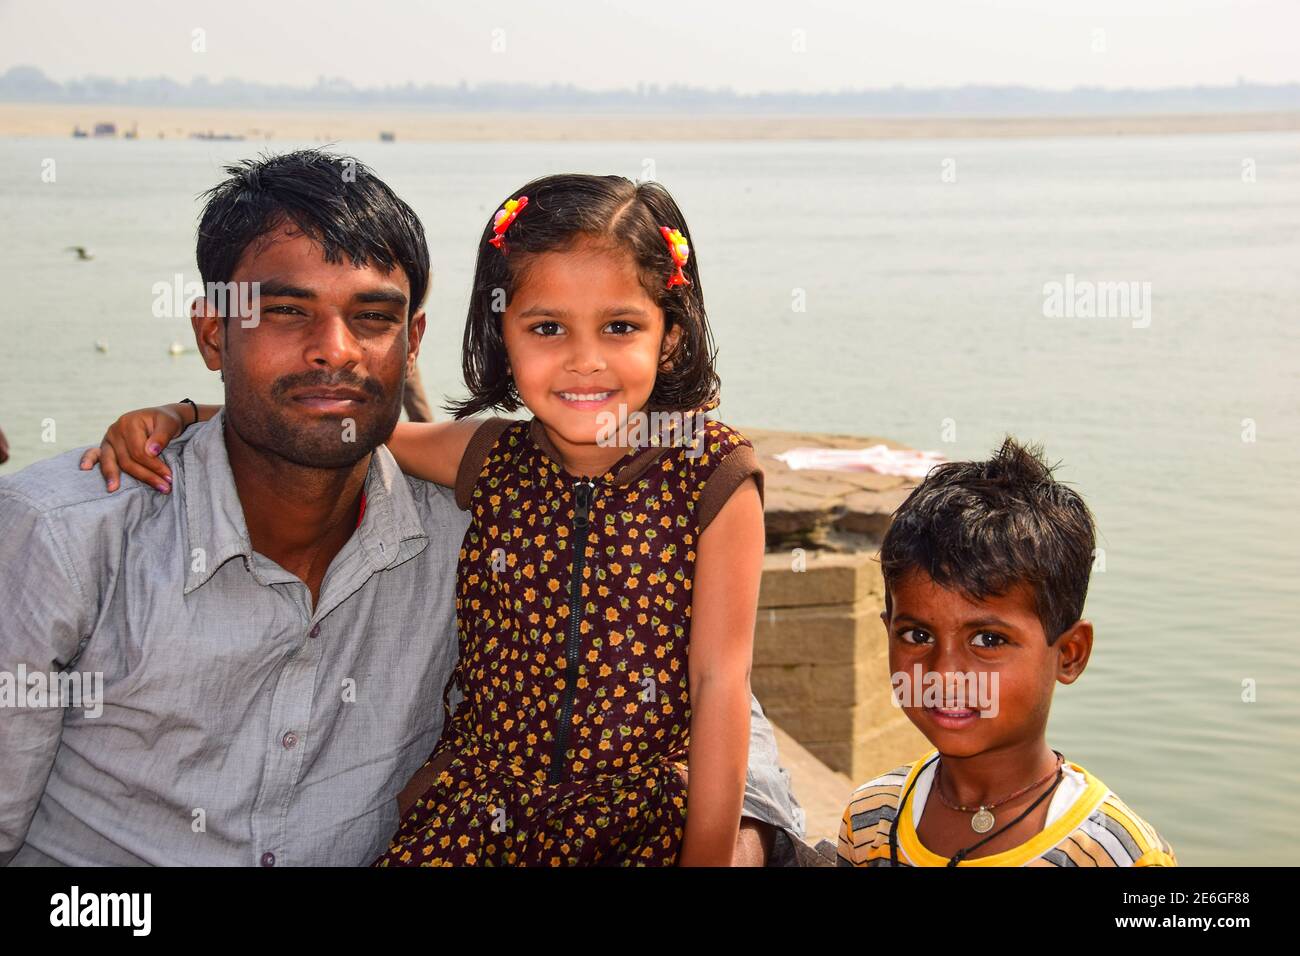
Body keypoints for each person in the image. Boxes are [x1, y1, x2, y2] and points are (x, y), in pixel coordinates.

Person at [0, 150, 804, 867]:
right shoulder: (67, 536)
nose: (335, 351)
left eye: (373, 317)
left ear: (412, 340)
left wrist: (741, 838)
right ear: (212, 334)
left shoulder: (470, 525)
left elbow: (703, 683)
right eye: (286, 311)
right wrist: (182, 414)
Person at [837, 438, 1176, 867]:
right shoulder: (870, 820)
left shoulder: (1114, 855)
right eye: (917, 636)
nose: (944, 674)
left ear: (1069, 654)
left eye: (989, 640)